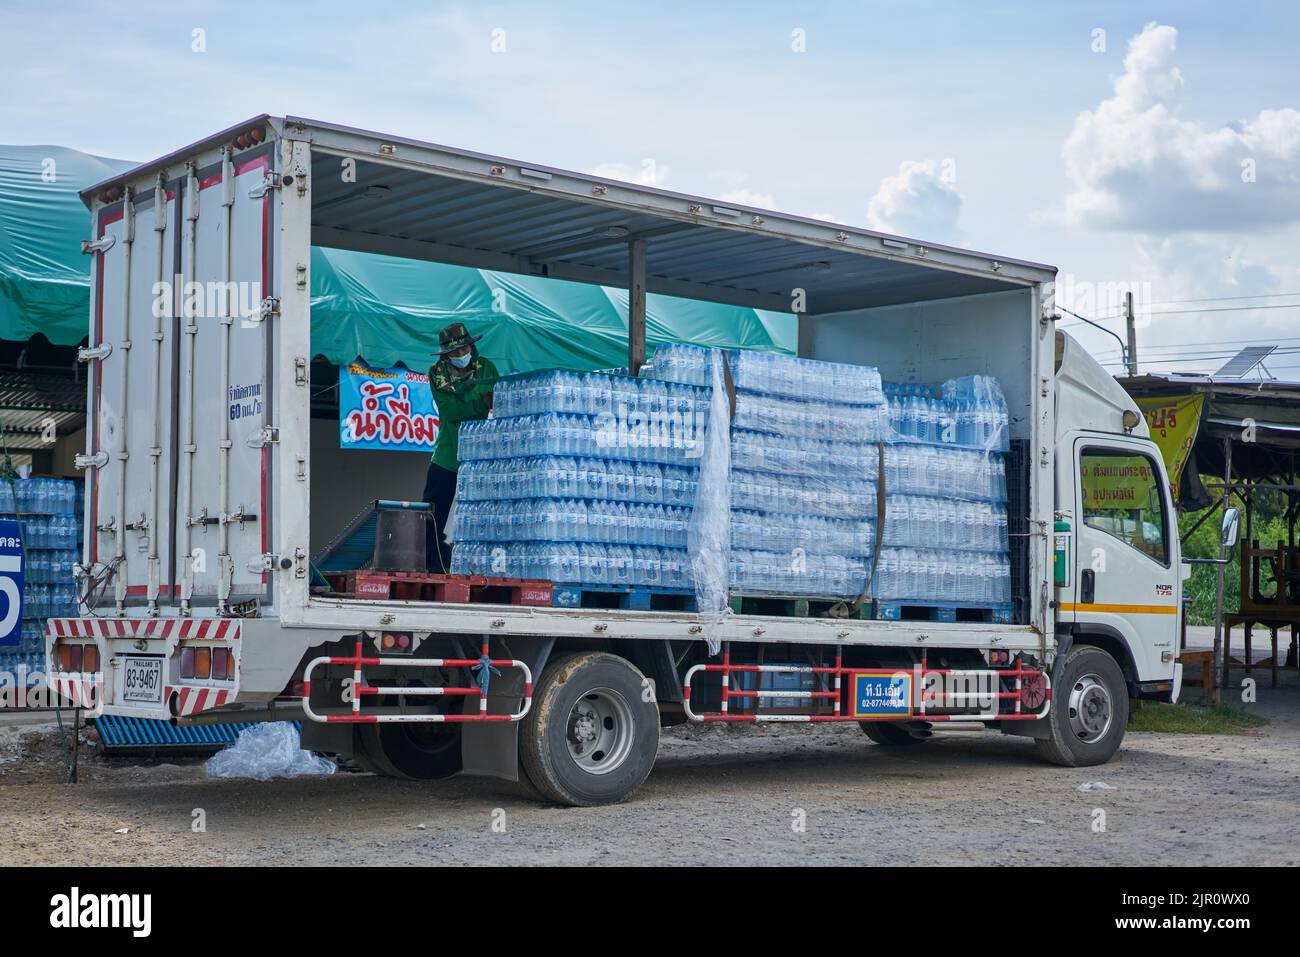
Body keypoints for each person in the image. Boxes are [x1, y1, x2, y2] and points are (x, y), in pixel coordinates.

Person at [424, 322, 498, 573]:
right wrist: (480, 401)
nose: (460, 355)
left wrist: (473, 400)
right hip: (448, 456)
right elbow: (450, 410)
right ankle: (434, 568)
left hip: (482, 456)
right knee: (436, 515)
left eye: (463, 349)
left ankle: (472, 568)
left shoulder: (487, 366)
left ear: (471, 346)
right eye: (454, 353)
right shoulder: (436, 374)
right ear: (445, 355)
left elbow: (496, 401)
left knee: (478, 516)